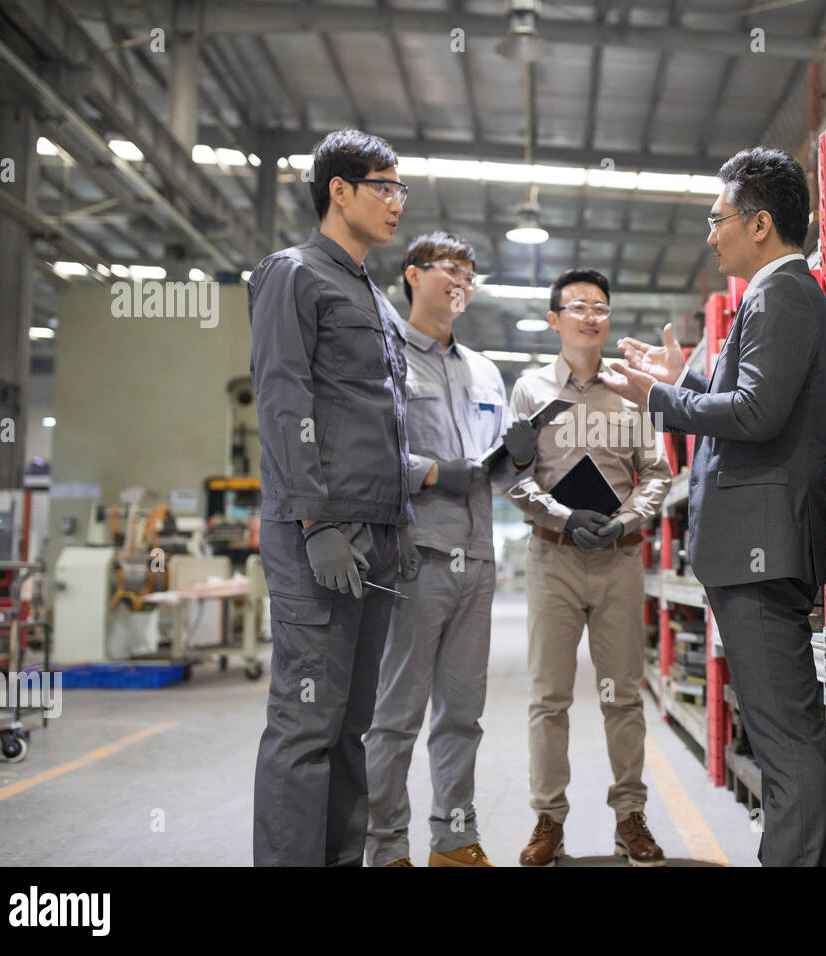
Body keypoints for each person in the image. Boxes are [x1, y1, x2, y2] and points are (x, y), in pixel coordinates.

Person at [601, 147, 826, 867]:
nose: (712, 233)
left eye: (720, 218)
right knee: (778, 734)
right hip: (755, 546)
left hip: (762, 550)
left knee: (786, 739)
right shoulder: (774, 298)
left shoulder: (783, 294)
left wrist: (662, 399)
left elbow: (759, 413)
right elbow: (755, 400)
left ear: (760, 224)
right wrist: (690, 377)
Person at [248, 129, 416, 867]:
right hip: (315, 534)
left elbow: (386, 417)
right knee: (306, 724)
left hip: (375, 537)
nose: (396, 202)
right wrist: (315, 520)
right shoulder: (292, 275)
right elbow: (285, 402)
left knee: (354, 726)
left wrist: (398, 520)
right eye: (383, 186)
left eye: (400, 189)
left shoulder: (374, 297)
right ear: (338, 190)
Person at [364, 231, 538, 868]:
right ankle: (385, 851)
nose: (461, 280)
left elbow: (497, 472)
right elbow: (372, 456)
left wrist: (517, 458)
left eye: (470, 271)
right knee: (396, 716)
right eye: (449, 269)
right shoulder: (385, 360)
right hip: (416, 557)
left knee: (462, 715)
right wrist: (437, 474)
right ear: (413, 275)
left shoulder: (487, 371)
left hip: (478, 561)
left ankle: (454, 841)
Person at [508, 268, 673, 866]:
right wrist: (560, 514)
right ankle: (547, 820)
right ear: (555, 320)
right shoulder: (530, 392)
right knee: (549, 698)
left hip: (618, 561)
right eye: (576, 306)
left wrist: (626, 521)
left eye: (600, 306)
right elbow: (513, 475)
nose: (590, 315)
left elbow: (657, 472)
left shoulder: (631, 390)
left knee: (622, 695)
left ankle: (630, 815)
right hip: (552, 560)